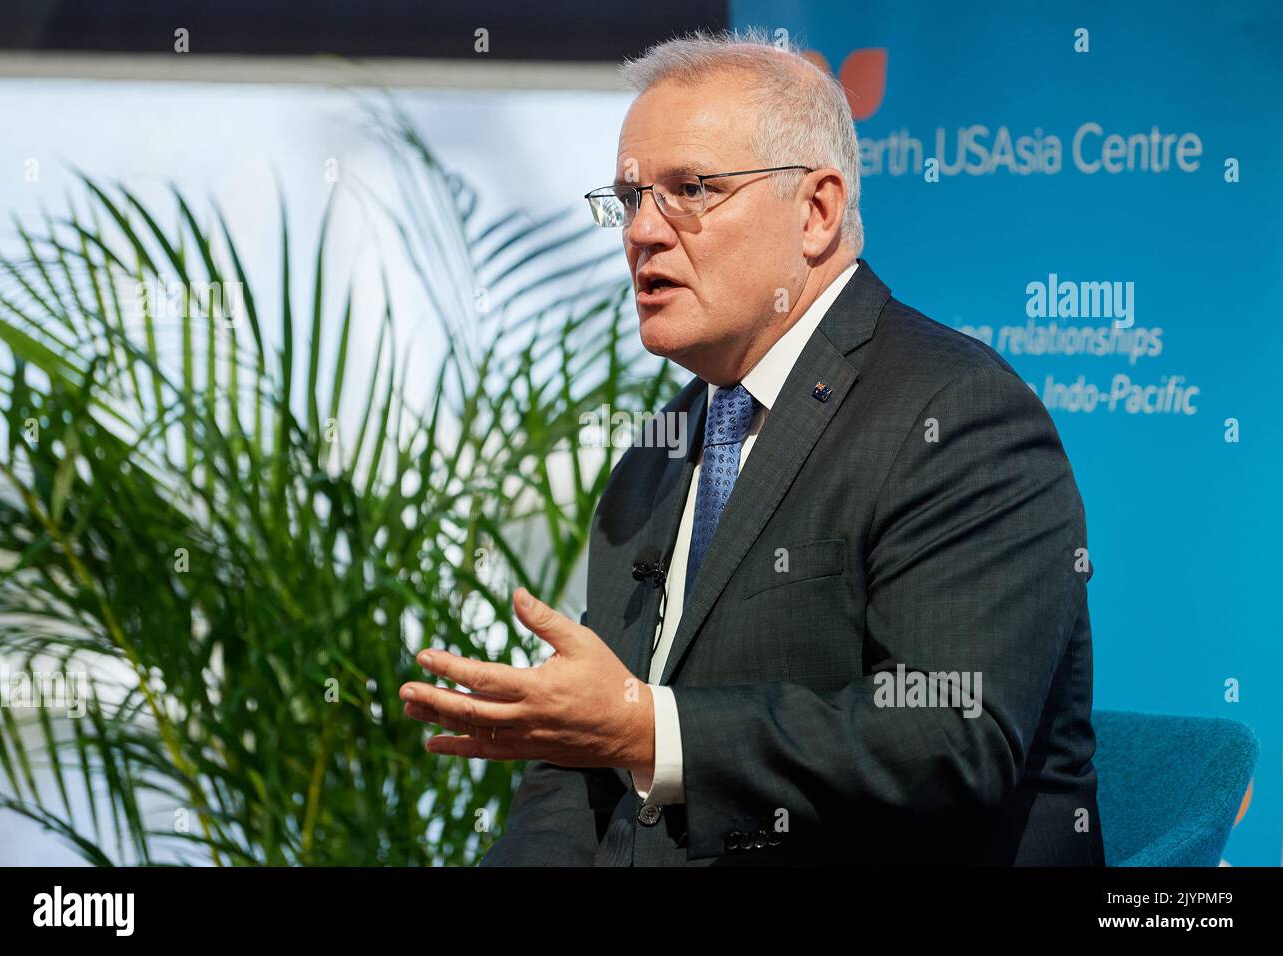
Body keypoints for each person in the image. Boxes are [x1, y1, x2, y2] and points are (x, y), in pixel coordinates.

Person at [399, 27, 1105, 866]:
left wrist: (649, 728)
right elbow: (575, 772)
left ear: (816, 210)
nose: (643, 234)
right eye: (629, 199)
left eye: (690, 189)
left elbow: (948, 737)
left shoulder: (958, 414)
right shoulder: (657, 456)